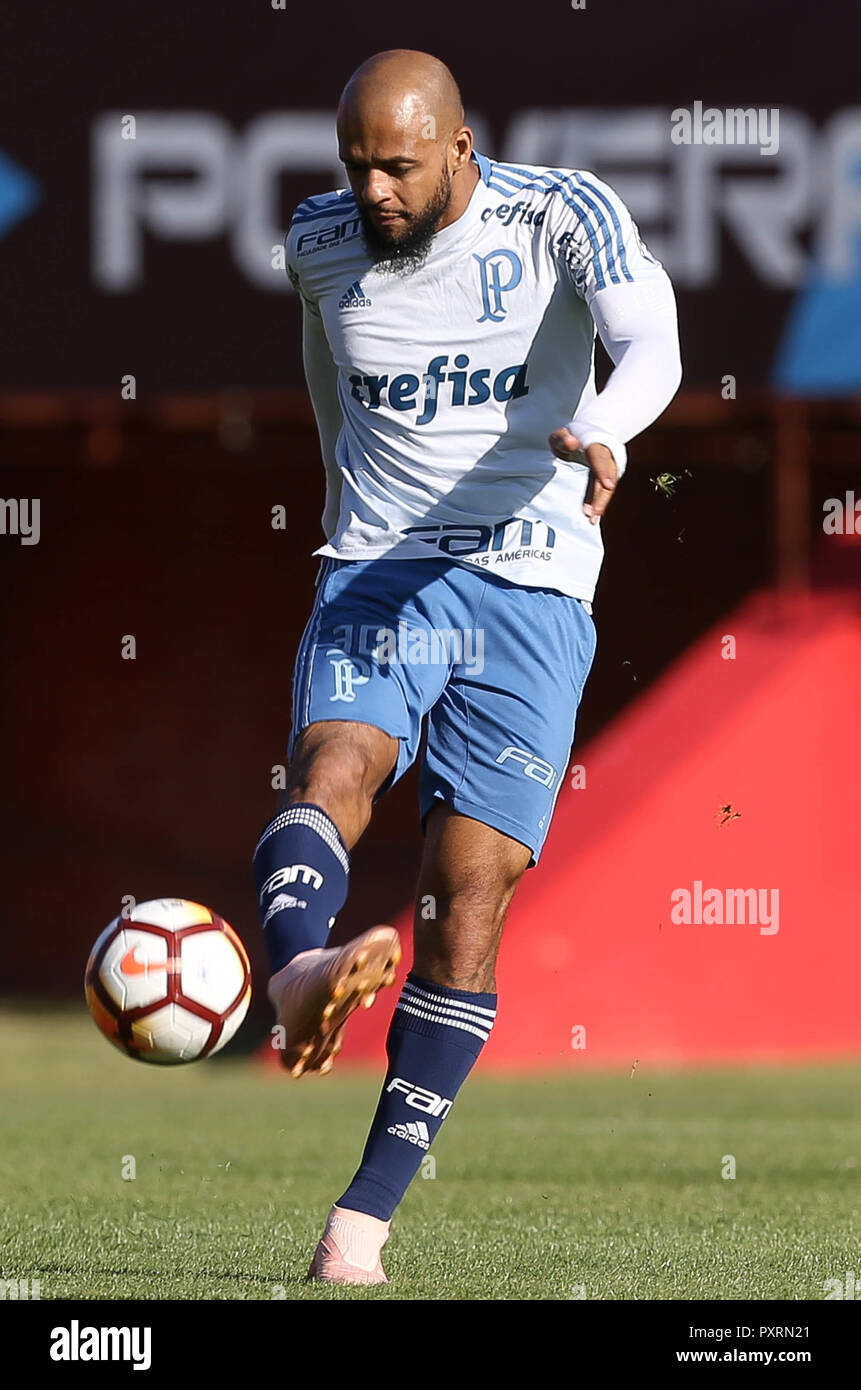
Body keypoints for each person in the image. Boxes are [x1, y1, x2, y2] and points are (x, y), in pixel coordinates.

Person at [252, 48, 682, 1284]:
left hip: (534, 580)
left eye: (397, 163)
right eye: (355, 163)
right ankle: (296, 977)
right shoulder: (320, 242)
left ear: (458, 147)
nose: (373, 187)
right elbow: (329, 390)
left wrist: (603, 429)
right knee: (333, 761)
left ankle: (360, 1224)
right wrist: (345, 531)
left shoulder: (560, 213)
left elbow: (651, 339)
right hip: (380, 568)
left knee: (469, 897)